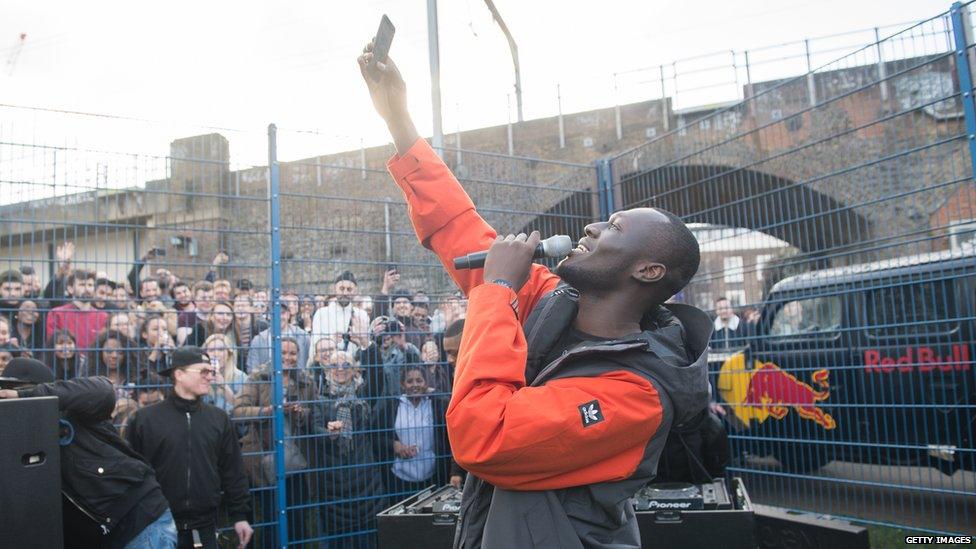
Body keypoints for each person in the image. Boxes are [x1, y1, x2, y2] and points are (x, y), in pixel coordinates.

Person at [359, 46, 712, 548]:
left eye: (613, 227)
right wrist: (398, 117)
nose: (591, 225)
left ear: (648, 270)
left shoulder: (637, 395)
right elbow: (461, 230)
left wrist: (497, 291)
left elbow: (485, 436)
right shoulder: (555, 300)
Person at [0, 357, 177, 549]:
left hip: (139, 522)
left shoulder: (74, 412)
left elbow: (103, 390)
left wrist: (31, 397)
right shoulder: (16, 436)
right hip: (103, 534)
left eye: (12, 392)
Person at [126, 346, 253, 549]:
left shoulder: (218, 419)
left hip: (205, 526)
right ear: (179, 374)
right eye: (202, 371)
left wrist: (240, 515)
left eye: (210, 372)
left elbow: (233, 470)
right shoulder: (145, 420)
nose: (209, 377)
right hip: (157, 525)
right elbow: (132, 473)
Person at [234, 337, 321, 549]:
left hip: (297, 461)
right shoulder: (258, 377)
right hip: (266, 461)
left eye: (293, 353)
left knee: (298, 522)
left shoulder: (306, 381)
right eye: (283, 352)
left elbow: (316, 414)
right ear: (274, 353)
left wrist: (301, 413)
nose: (288, 357)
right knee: (272, 522)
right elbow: (237, 411)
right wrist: (267, 411)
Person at [318, 350, 386, 549]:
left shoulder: (363, 395)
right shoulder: (319, 397)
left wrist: (369, 347)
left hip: (365, 480)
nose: (340, 369)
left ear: (355, 370)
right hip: (334, 483)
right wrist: (327, 432)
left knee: (367, 540)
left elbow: (377, 378)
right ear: (326, 371)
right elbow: (313, 430)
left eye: (346, 365)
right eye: (334, 365)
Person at [372, 364, 463, 496]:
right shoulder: (392, 406)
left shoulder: (437, 404)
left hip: (433, 476)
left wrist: (455, 472)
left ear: (426, 383)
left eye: (419, 380)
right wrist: (394, 445)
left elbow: (453, 439)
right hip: (399, 477)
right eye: (409, 381)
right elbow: (376, 436)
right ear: (402, 384)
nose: (415, 385)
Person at [46, 269, 108, 353]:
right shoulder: (56, 314)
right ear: (70, 289)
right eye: (82, 284)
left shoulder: (103, 316)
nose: (87, 289)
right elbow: (52, 345)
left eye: (90, 285)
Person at [310, 271, 370, 358]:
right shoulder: (321, 314)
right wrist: (331, 341)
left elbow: (366, 346)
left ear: (355, 291)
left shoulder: (362, 315)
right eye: (341, 289)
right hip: (328, 364)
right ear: (335, 289)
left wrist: (359, 342)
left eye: (349, 289)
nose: (345, 293)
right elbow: (314, 346)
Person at [247, 303, 310, 372]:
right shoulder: (258, 340)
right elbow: (252, 369)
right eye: (275, 313)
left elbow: (308, 364)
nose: (279, 317)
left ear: (288, 315)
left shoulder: (303, 337)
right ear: (269, 316)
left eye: (282, 313)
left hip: (296, 381)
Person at [202, 333, 247, 414]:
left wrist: (224, 386)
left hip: (232, 423)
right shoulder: (200, 376)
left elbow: (243, 409)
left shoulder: (240, 377)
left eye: (221, 350)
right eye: (211, 350)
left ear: (229, 353)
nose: (216, 354)